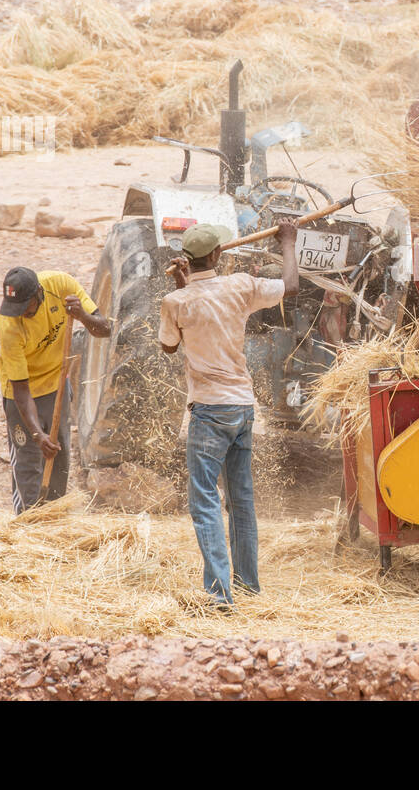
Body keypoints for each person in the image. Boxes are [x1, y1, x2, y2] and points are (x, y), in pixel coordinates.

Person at [159, 220, 299, 608]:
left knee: (204, 502)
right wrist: (288, 242)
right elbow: (291, 285)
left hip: (208, 411)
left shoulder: (177, 302)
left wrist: (181, 288)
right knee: (241, 500)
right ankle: (248, 585)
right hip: (242, 406)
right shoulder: (240, 286)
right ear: (218, 254)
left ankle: (220, 595)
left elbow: (171, 346)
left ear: (185, 260)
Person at [0, 266, 111, 514]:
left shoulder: (61, 285)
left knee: (58, 458)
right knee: (29, 463)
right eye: (15, 309)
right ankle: (28, 525)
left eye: (25, 308)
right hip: (22, 396)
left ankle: (56, 521)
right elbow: (21, 390)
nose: (21, 315)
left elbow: (105, 329)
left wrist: (82, 316)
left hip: (57, 384)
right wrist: (38, 435)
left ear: (39, 293)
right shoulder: (10, 326)